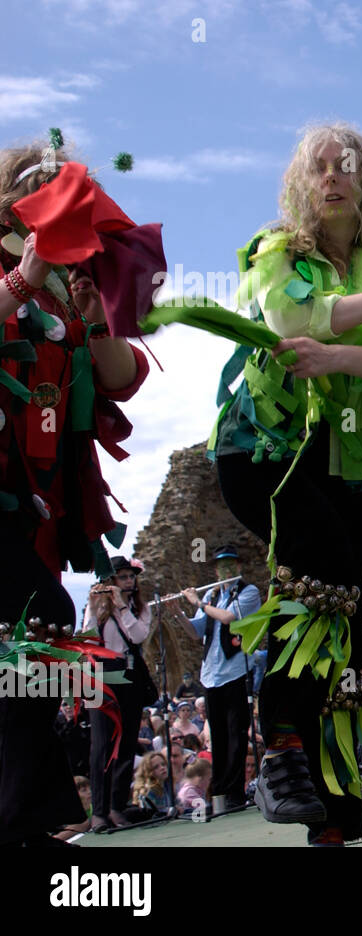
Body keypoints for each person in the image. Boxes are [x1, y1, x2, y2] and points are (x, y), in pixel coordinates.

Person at [213, 123, 362, 845]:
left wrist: (343, 355)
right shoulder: (277, 248)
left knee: (347, 628)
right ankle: (280, 751)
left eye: (347, 167)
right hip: (267, 450)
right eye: (319, 168)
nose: (333, 177)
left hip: (349, 459)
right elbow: (296, 318)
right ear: (302, 182)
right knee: (317, 575)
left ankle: (335, 819)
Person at [0, 137, 151, 847]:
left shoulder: (71, 277)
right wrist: (27, 274)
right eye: (40, 184)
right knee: (41, 622)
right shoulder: (12, 265)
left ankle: (28, 816)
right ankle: (27, 812)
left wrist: (91, 309)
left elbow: (120, 376)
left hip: (41, 503)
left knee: (26, 651)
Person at [182, 543, 259, 812]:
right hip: (211, 675)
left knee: (237, 735)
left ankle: (236, 792)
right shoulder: (213, 596)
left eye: (230, 564)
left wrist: (198, 602)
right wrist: (177, 615)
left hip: (235, 672)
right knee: (219, 737)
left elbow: (228, 618)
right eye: (220, 565)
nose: (225, 569)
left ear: (238, 567)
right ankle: (221, 793)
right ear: (216, 570)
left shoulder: (248, 592)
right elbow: (196, 631)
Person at [82, 556, 155, 831]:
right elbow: (86, 639)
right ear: (110, 581)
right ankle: (98, 811)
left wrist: (123, 607)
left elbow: (137, 636)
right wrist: (94, 606)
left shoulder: (139, 608)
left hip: (129, 674)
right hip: (100, 675)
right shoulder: (95, 607)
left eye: (130, 577)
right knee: (102, 745)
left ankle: (117, 806)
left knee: (125, 745)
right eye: (122, 577)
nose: (128, 581)